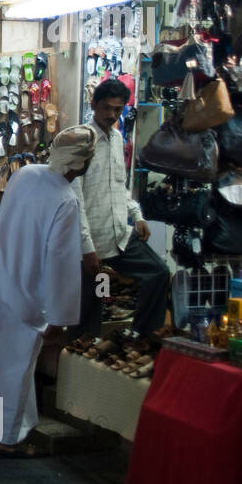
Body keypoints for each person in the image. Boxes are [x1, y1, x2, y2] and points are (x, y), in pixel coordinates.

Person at [0, 125, 96, 457]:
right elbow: (61, 264)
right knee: (14, 365)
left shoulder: (25, 175)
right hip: (26, 291)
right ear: (82, 164)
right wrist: (58, 318)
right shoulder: (66, 199)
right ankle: (8, 438)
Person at [72, 78, 171, 337]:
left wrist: (137, 216)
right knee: (87, 310)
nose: (111, 115)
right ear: (93, 105)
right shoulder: (81, 140)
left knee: (158, 273)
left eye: (117, 110)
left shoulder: (117, 139)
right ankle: (78, 363)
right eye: (106, 108)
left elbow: (120, 186)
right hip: (91, 238)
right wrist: (87, 247)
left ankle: (140, 335)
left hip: (119, 234)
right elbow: (75, 199)